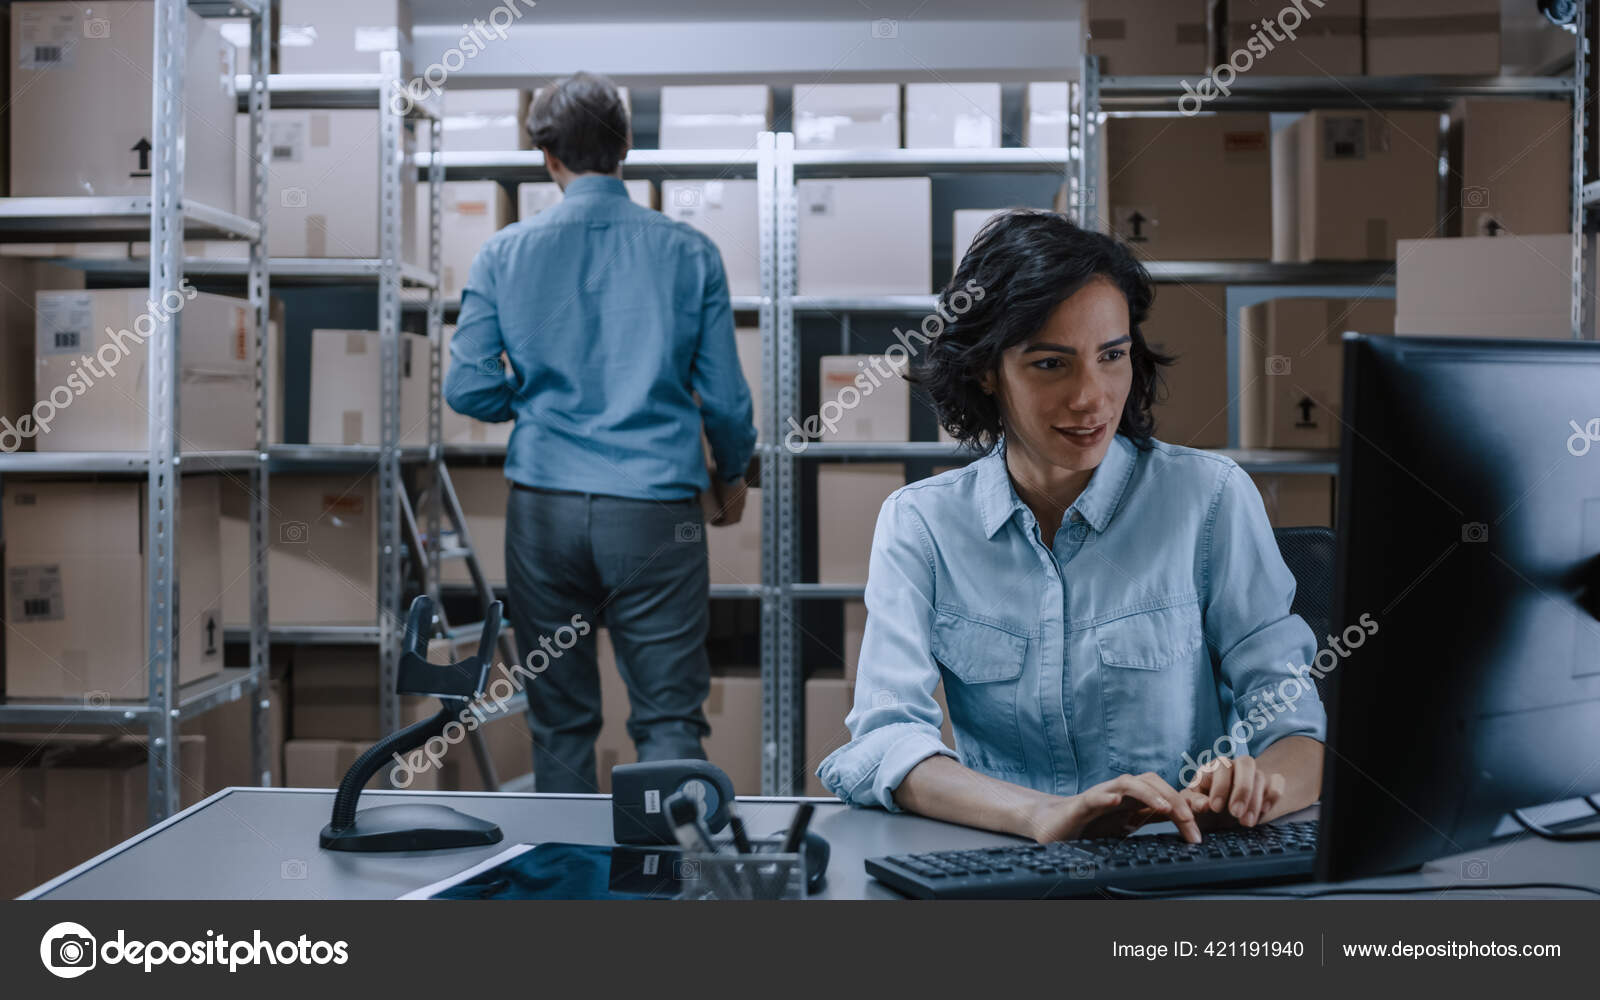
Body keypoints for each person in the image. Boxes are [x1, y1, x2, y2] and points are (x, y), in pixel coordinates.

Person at [817, 212, 1325, 843]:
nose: (1092, 396)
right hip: (1009, 861)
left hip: (1179, 863)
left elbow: (1299, 731)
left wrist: (1258, 791)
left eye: (1112, 356)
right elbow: (885, 740)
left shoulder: (1210, 499)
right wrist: (1042, 815)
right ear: (985, 370)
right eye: (1052, 364)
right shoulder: (922, 523)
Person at [445, 72, 757, 793]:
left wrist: (534, 394)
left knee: (558, 722)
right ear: (628, 146)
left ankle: (564, 896)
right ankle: (665, 886)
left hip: (543, 509)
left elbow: (467, 386)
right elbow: (728, 401)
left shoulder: (502, 253)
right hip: (656, 510)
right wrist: (732, 474)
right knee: (669, 717)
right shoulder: (691, 252)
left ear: (547, 158)